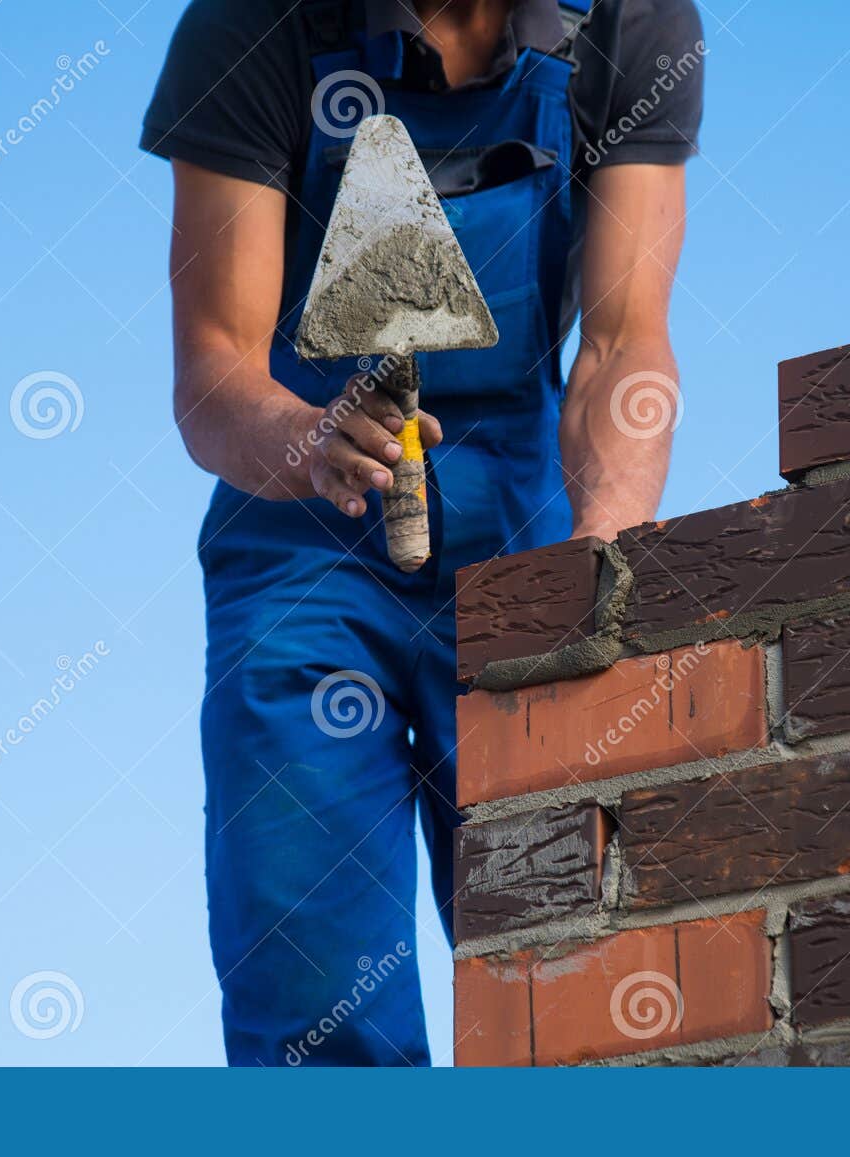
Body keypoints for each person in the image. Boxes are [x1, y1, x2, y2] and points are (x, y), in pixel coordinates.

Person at [141, 0, 704, 1065]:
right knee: (311, 979)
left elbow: (625, 343)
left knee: (573, 961)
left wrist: (607, 550)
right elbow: (214, 373)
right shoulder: (253, 26)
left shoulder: (630, 21)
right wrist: (308, 441)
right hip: (304, 548)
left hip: (524, 536)